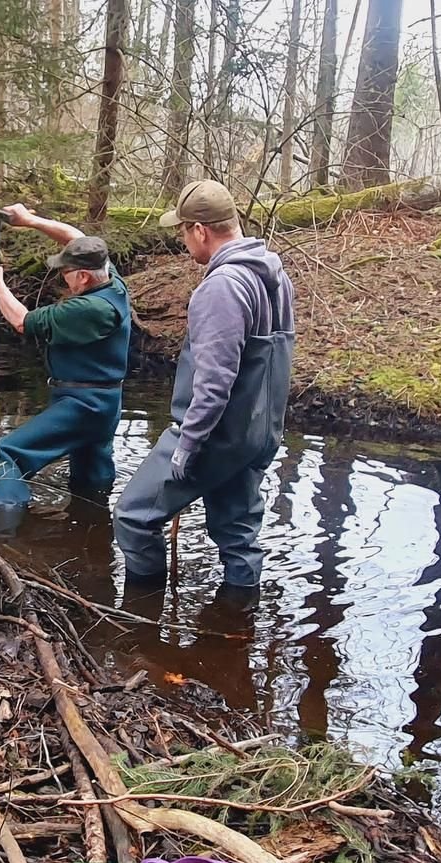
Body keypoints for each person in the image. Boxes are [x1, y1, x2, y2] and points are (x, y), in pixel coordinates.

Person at [113, 180, 295, 588]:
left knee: (133, 517)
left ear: (200, 230)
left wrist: (188, 446)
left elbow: (214, 383)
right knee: (238, 535)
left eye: (183, 231)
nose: (183, 241)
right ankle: (236, 630)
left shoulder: (221, 288)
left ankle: (143, 622)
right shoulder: (275, 277)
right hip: (257, 432)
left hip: (215, 436)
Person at [0, 205, 134, 530]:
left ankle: (4, 536)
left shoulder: (87, 309)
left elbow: (21, 321)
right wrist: (29, 221)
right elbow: (76, 236)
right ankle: (93, 537)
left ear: (84, 276)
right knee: (90, 478)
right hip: (105, 403)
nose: (63, 276)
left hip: (82, 405)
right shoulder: (112, 282)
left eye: (66, 272)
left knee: (5, 456)